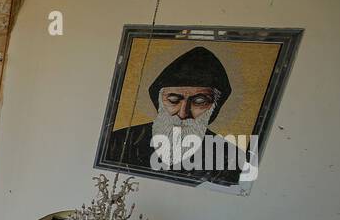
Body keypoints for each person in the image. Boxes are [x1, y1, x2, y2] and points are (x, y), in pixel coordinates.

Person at [103, 45, 250, 186]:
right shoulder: (118, 142)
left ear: (214, 107)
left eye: (199, 101)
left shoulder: (229, 158)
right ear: (160, 100)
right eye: (173, 100)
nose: (182, 113)